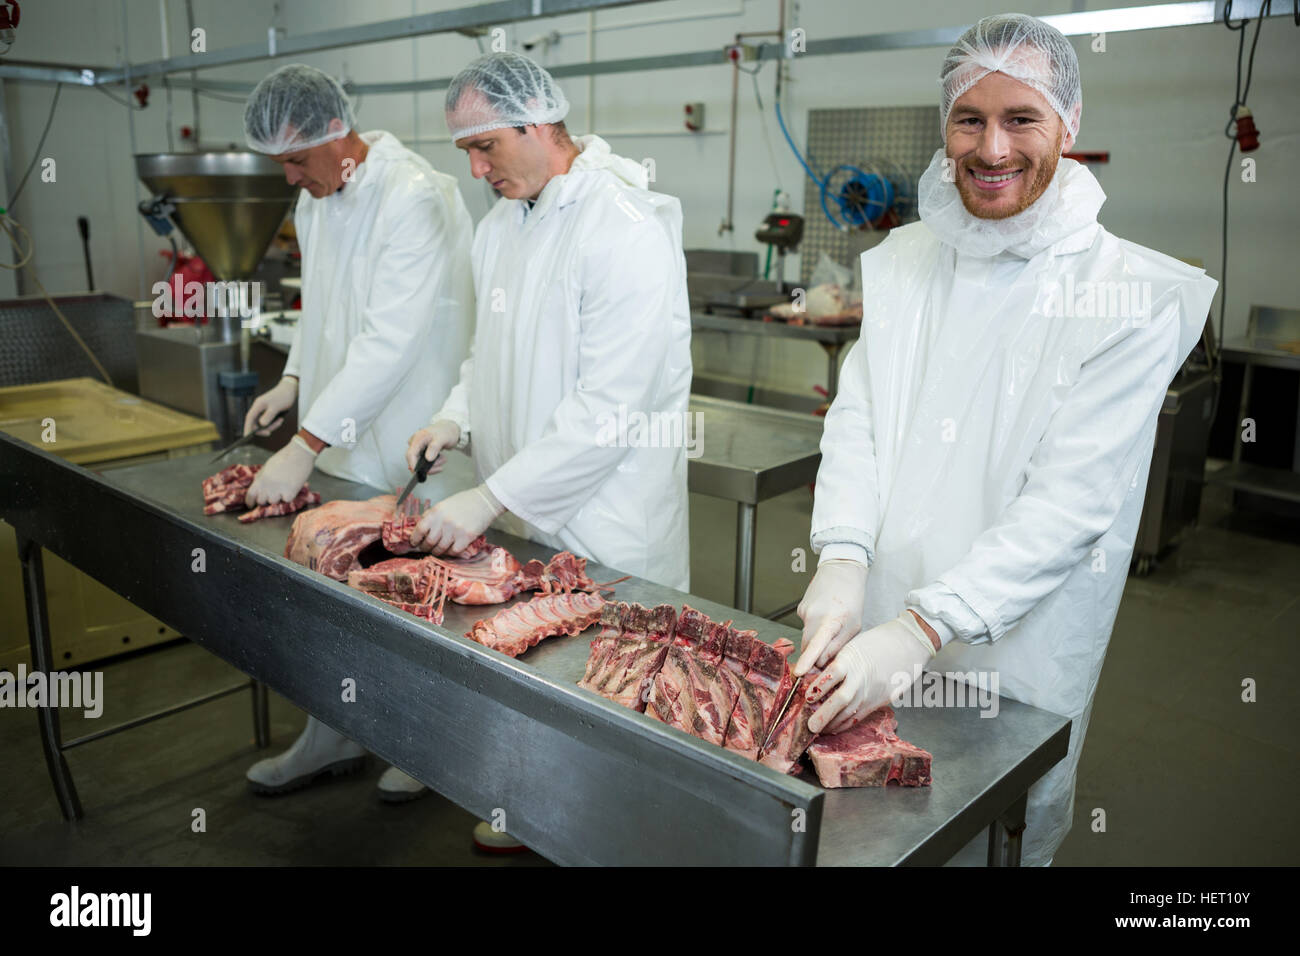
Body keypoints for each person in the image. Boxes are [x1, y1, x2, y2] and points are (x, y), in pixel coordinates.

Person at [793, 14, 1217, 866]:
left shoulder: (1125, 294)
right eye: (969, 119)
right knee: (867, 838)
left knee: (984, 835)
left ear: (1071, 123)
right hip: (877, 624)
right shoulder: (906, 259)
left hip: (1013, 644)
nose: (992, 149)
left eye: (1021, 118)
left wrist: (923, 629)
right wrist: (841, 555)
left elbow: (1068, 507)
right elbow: (861, 419)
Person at [404, 51, 693, 848]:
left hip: (609, 513)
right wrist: (453, 418)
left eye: (485, 146)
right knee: (534, 671)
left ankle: (612, 830)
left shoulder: (624, 225)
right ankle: (533, 804)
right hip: (526, 503)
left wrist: (490, 498)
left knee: (612, 683)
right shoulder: (502, 227)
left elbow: (610, 408)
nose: (473, 169)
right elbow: (485, 351)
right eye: (465, 151)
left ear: (537, 124)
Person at [238, 63, 476, 802]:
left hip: (412, 439)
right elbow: (320, 310)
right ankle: (332, 732)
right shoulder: (319, 201)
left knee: (413, 597)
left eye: (296, 160)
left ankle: (427, 742)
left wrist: (302, 446)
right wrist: (293, 380)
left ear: (338, 137)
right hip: (344, 429)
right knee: (333, 595)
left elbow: (388, 343)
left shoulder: (414, 197)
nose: (288, 178)